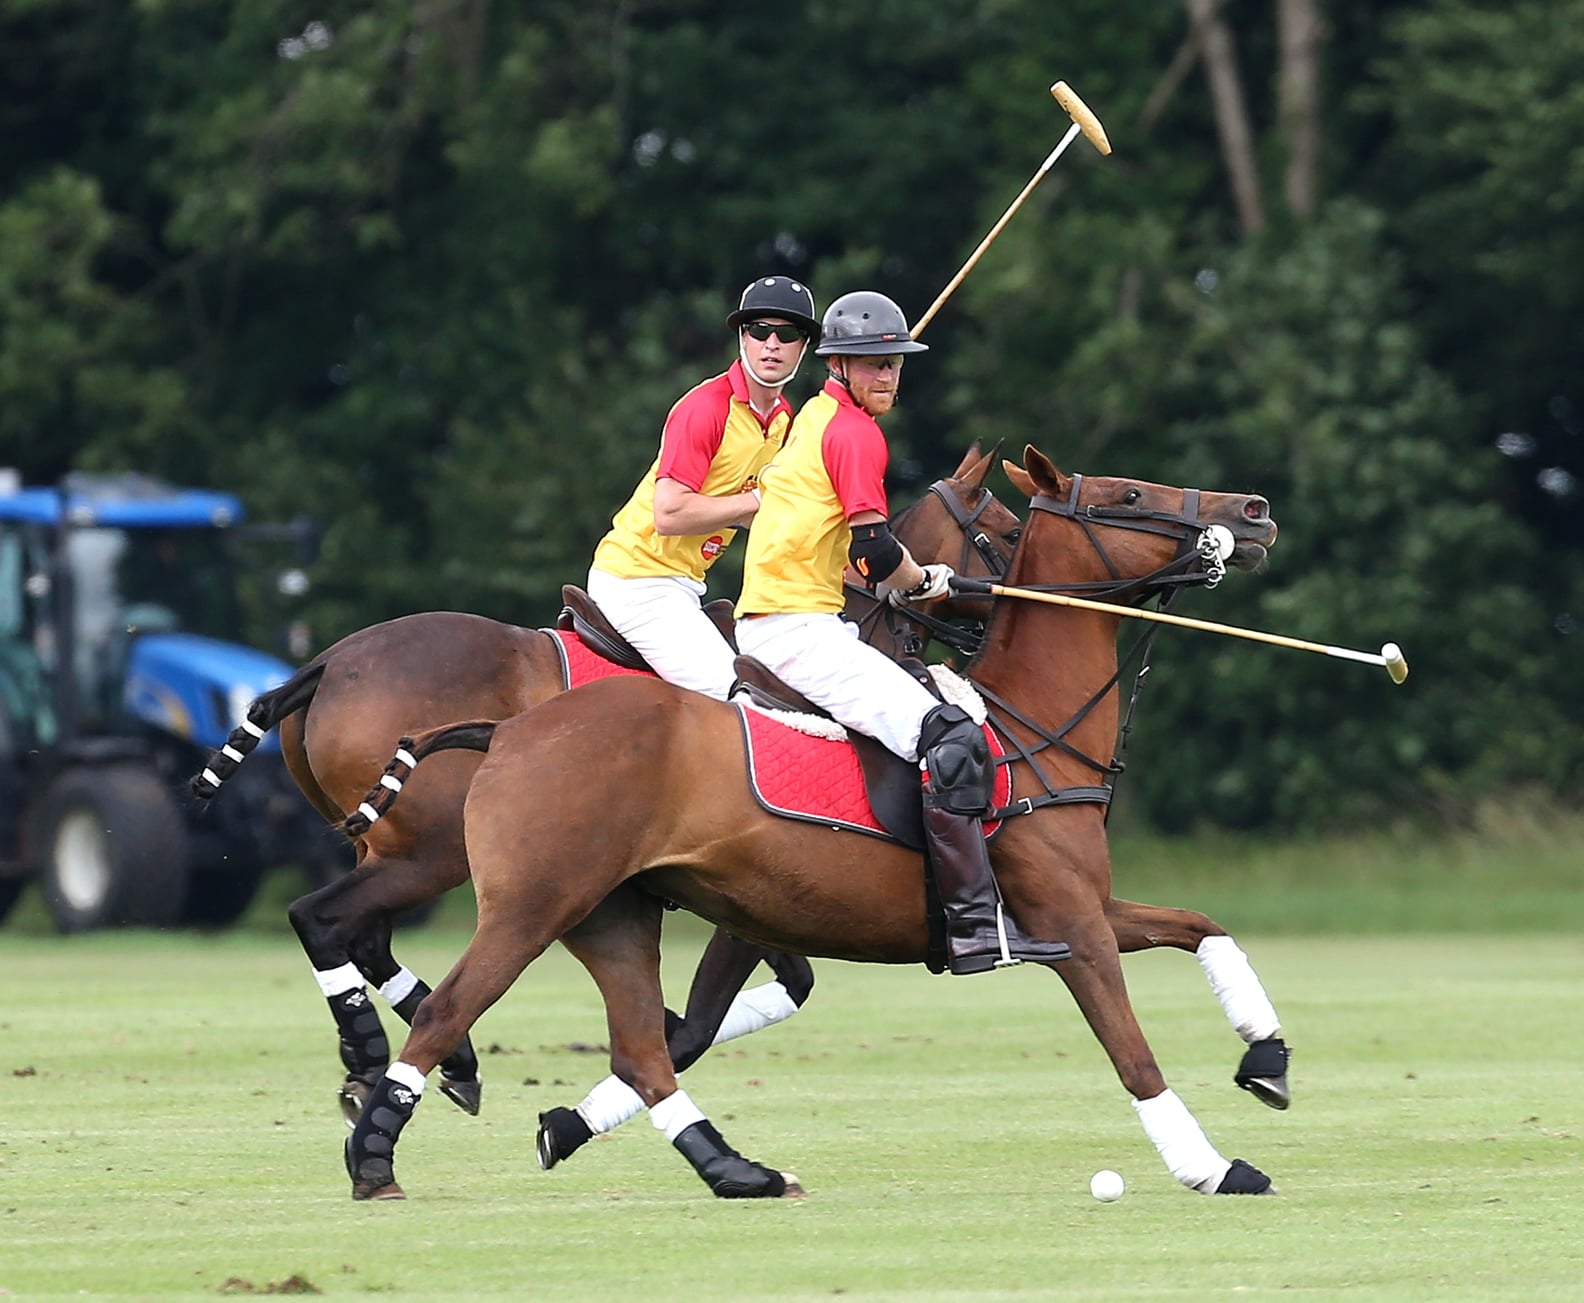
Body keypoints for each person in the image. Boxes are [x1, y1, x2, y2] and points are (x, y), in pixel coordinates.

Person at [734, 290, 1067, 975]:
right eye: (870, 363)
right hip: (795, 626)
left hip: (784, 616)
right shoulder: (854, 432)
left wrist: (918, 577)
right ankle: (976, 926)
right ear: (838, 365)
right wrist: (923, 581)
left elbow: (863, 554)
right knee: (951, 737)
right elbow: (876, 553)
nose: (885, 375)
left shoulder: (815, 416)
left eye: (893, 362)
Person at [586, 276, 820, 701]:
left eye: (786, 334)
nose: (771, 344)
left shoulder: (785, 419)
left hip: (686, 585)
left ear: (803, 347)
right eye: (757, 331)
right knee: (742, 700)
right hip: (637, 580)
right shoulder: (706, 408)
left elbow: (771, 515)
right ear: (741, 340)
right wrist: (755, 503)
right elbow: (669, 514)